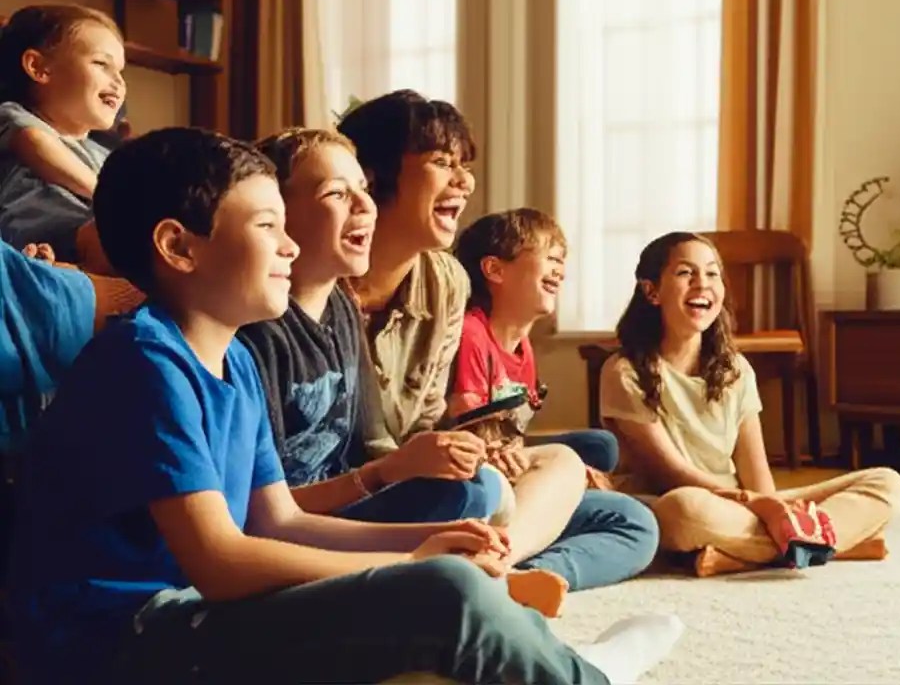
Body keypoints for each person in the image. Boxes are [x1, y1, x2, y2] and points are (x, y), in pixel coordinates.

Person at [6, 127, 684, 684]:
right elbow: (220, 560)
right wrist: (416, 565)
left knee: (447, 594)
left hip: (186, 612)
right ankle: (584, 676)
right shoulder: (143, 362)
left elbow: (280, 519)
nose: (291, 246)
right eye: (269, 225)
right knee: (444, 597)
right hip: (116, 645)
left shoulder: (231, 359)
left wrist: (424, 543)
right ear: (179, 245)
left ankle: (551, 663)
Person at [339, 90, 659, 595]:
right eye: (442, 163)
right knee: (478, 494)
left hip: (431, 474)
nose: (464, 182)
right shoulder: (321, 284)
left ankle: (505, 574)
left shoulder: (445, 281)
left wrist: (473, 451)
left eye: (463, 166)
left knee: (633, 522)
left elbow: (426, 422)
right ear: (371, 177)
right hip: (368, 494)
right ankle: (481, 562)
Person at [237, 128, 561, 614]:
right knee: (473, 496)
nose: (365, 206)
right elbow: (264, 515)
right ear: (277, 215)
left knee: (623, 517)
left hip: (352, 504)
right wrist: (391, 473)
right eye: (337, 194)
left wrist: (428, 457)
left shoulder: (342, 310)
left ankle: (491, 567)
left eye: (362, 189)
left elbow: (371, 439)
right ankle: (483, 571)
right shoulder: (253, 333)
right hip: (308, 523)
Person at [599, 231, 900, 577]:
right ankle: (822, 542)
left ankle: (744, 554)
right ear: (652, 291)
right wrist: (760, 505)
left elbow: (756, 476)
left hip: (739, 506)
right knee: (683, 510)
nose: (703, 284)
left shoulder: (736, 369)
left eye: (713, 273)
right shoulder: (624, 371)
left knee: (888, 483)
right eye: (686, 273)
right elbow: (670, 473)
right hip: (672, 503)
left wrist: (769, 503)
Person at [449, 208, 621, 479]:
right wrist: (551, 471)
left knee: (601, 446)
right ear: (495, 269)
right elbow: (468, 433)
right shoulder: (471, 332)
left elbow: (514, 436)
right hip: (476, 459)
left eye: (562, 262)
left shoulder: (523, 346)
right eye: (551, 258)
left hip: (506, 452)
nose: (560, 273)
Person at [0, 4, 122, 269]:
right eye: (102, 64)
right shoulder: (14, 116)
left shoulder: (104, 154)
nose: (119, 82)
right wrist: (108, 195)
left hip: (90, 237)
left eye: (121, 71)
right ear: (39, 67)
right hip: (52, 234)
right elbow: (35, 144)